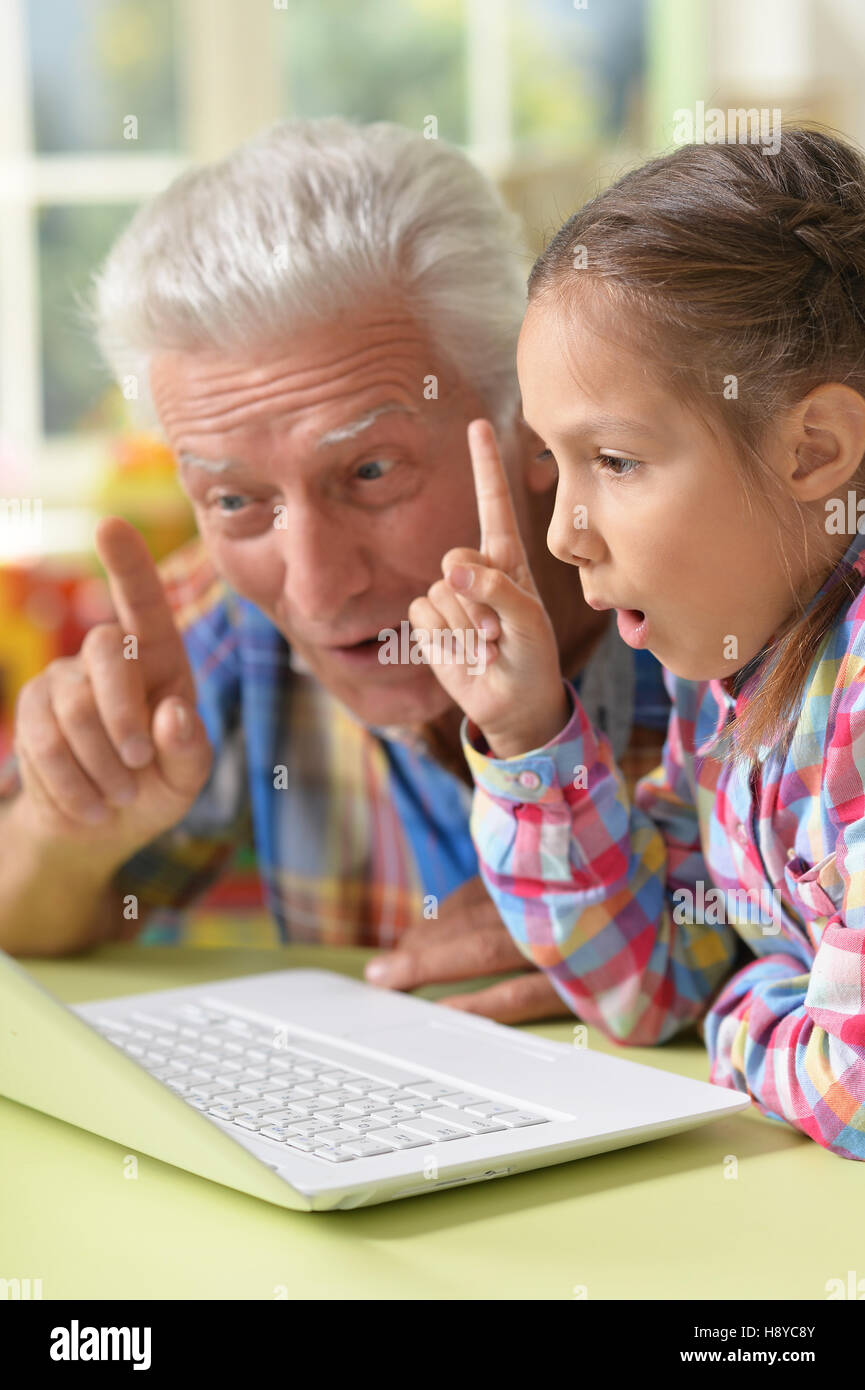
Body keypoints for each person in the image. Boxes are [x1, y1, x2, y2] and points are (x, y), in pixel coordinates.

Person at [0, 118, 668, 1024]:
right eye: (235, 501)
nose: (314, 593)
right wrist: (64, 838)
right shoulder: (226, 627)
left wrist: (635, 936)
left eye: (369, 473)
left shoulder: (716, 616)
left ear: (530, 420)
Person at [409, 125, 865, 1155]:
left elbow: (853, 1081)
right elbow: (653, 974)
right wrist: (530, 735)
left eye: (612, 460)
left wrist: (746, 1009)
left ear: (814, 449)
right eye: (554, 464)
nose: (565, 533)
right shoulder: (749, 669)